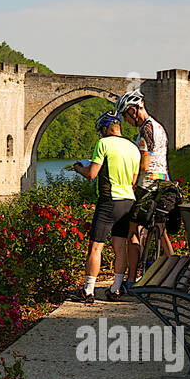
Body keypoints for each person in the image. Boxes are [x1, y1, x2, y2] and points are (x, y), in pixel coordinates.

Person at [70, 111, 141, 302]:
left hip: (109, 200)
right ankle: (116, 289)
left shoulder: (103, 144)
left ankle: (88, 290)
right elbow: (134, 179)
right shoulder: (133, 148)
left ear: (104, 129)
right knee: (120, 247)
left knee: (95, 247)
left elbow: (92, 174)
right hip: (128, 201)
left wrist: (78, 168)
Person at [116, 90, 174, 276]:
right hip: (164, 182)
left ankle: (132, 278)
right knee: (160, 230)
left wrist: (130, 179)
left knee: (132, 230)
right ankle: (173, 273)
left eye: (125, 115)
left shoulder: (145, 130)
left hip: (148, 185)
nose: (125, 121)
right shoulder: (159, 127)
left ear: (133, 111)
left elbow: (144, 163)